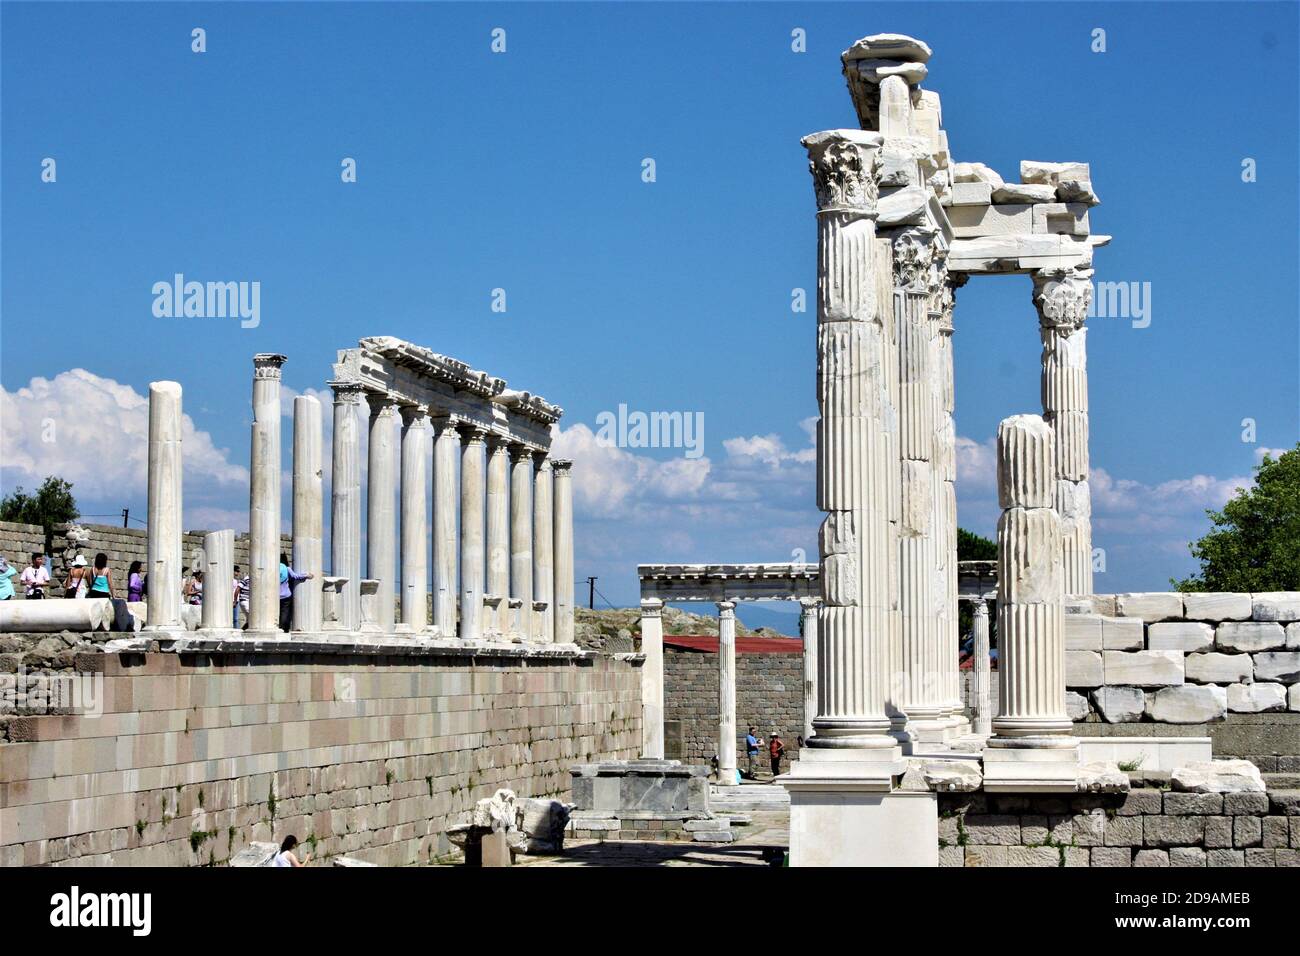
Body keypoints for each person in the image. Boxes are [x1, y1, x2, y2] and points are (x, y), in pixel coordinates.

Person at [278, 552, 313, 632]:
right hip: (286, 595)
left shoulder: (273, 568)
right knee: (285, 613)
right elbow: (295, 576)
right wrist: (306, 575)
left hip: (275, 596)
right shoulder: (286, 568)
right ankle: (282, 628)